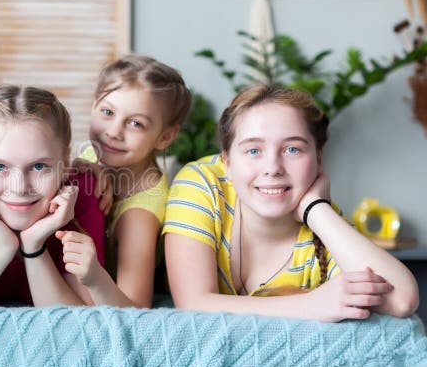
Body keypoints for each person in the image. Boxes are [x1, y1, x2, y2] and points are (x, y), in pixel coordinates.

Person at [163, 84, 419, 321]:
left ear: (319, 159)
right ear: (227, 163)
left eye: (292, 149)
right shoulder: (203, 183)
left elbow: (402, 300)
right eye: (253, 150)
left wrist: (316, 211)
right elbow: (192, 303)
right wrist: (309, 305)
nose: (272, 168)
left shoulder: (322, 225)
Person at [0, 85, 106, 310]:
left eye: (39, 166)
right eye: (0, 166)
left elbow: (81, 318)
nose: (20, 187)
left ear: (64, 161)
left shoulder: (81, 192)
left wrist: (34, 247)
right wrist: (2, 248)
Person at [71, 55, 192, 308]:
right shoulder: (94, 155)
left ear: (165, 137)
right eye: (107, 112)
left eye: (136, 123)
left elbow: (135, 308)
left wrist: (93, 278)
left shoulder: (139, 217)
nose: (113, 131)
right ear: (94, 106)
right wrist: (79, 169)